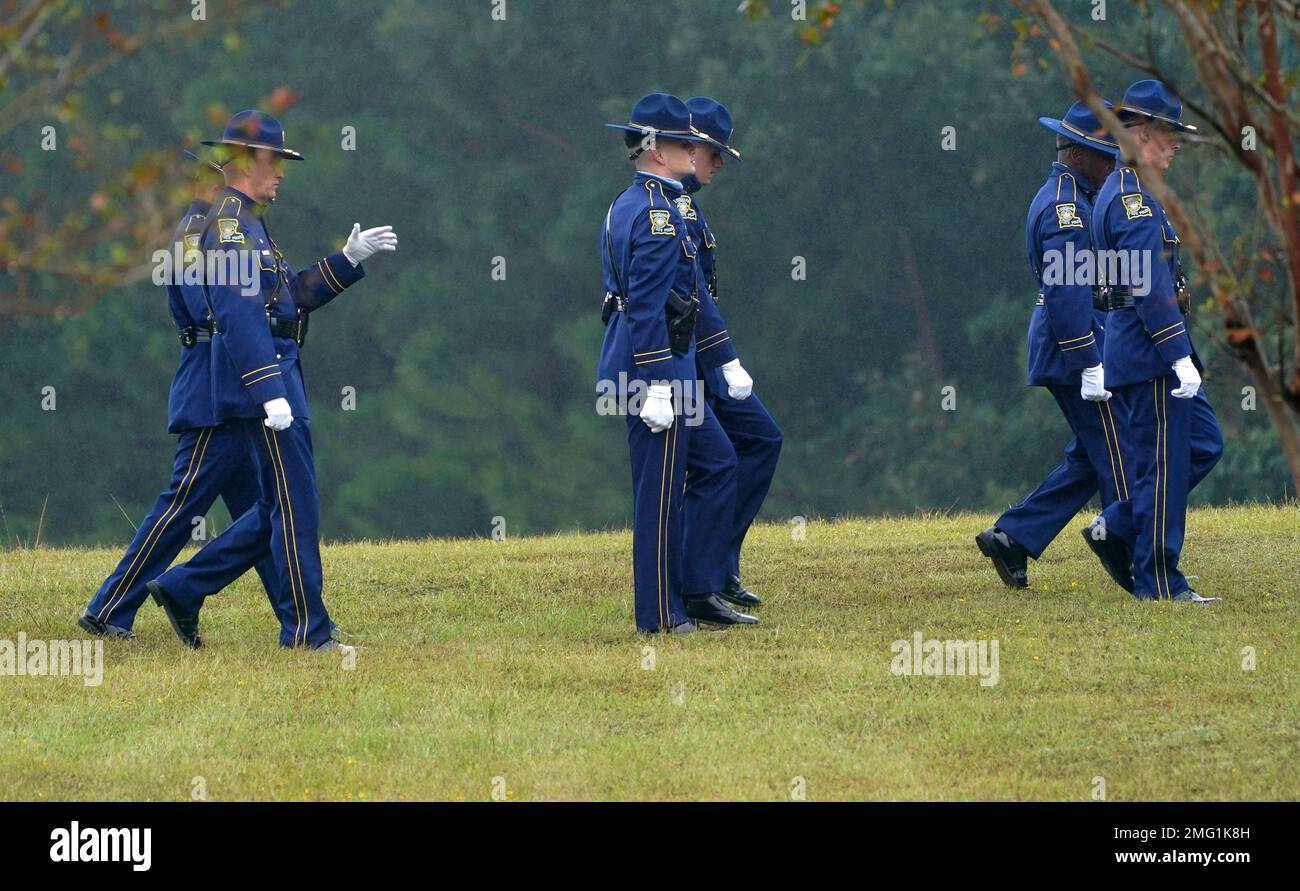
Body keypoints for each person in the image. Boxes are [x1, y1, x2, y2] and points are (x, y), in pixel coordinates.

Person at [145, 109, 398, 648]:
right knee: (293, 511)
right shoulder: (230, 227)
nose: (282, 172)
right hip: (270, 387)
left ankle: (186, 587)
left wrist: (347, 261)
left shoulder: (250, 219)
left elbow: (288, 299)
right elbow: (238, 317)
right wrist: (269, 392)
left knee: (282, 507)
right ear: (247, 161)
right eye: (274, 161)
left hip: (281, 380)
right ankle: (307, 635)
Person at [78, 149, 280, 640]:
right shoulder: (200, 234)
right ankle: (109, 608)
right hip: (215, 395)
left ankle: (299, 620)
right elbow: (208, 312)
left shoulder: (209, 230)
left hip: (231, 389)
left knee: (271, 511)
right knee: (180, 510)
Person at [597, 93, 758, 634]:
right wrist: (659, 384)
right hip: (653, 370)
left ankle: (694, 591)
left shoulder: (646, 204)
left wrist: (724, 359)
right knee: (660, 496)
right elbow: (645, 307)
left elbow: (686, 295)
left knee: (717, 463)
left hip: (674, 364)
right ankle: (659, 617)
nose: (694, 150)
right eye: (684, 142)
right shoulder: (653, 213)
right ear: (659, 152)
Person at [976, 101, 1132, 590]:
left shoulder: (1074, 196)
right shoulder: (1067, 211)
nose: (1115, 166)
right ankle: (1134, 551)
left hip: (1075, 343)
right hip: (1075, 348)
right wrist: (1090, 362)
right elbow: (1066, 294)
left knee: (1092, 453)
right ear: (1079, 153)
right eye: (1106, 156)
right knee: (1121, 452)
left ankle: (1013, 537)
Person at [1088, 80, 1224, 603]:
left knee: (1204, 445)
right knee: (1163, 468)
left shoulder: (1133, 194)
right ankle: (1161, 583)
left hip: (1145, 353)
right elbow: (1148, 291)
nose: (1176, 144)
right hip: (1149, 356)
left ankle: (1118, 525)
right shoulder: (1131, 201)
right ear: (1141, 134)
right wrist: (1178, 356)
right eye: (1169, 134)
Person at [679, 96, 782, 610]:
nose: (718, 163)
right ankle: (702, 576)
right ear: (686, 147)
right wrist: (724, 357)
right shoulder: (667, 206)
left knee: (761, 440)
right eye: (712, 152)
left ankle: (720, 564)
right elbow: (690, 291)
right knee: (719, 460)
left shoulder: (687, 204)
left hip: (703, 351)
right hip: (687, 355)